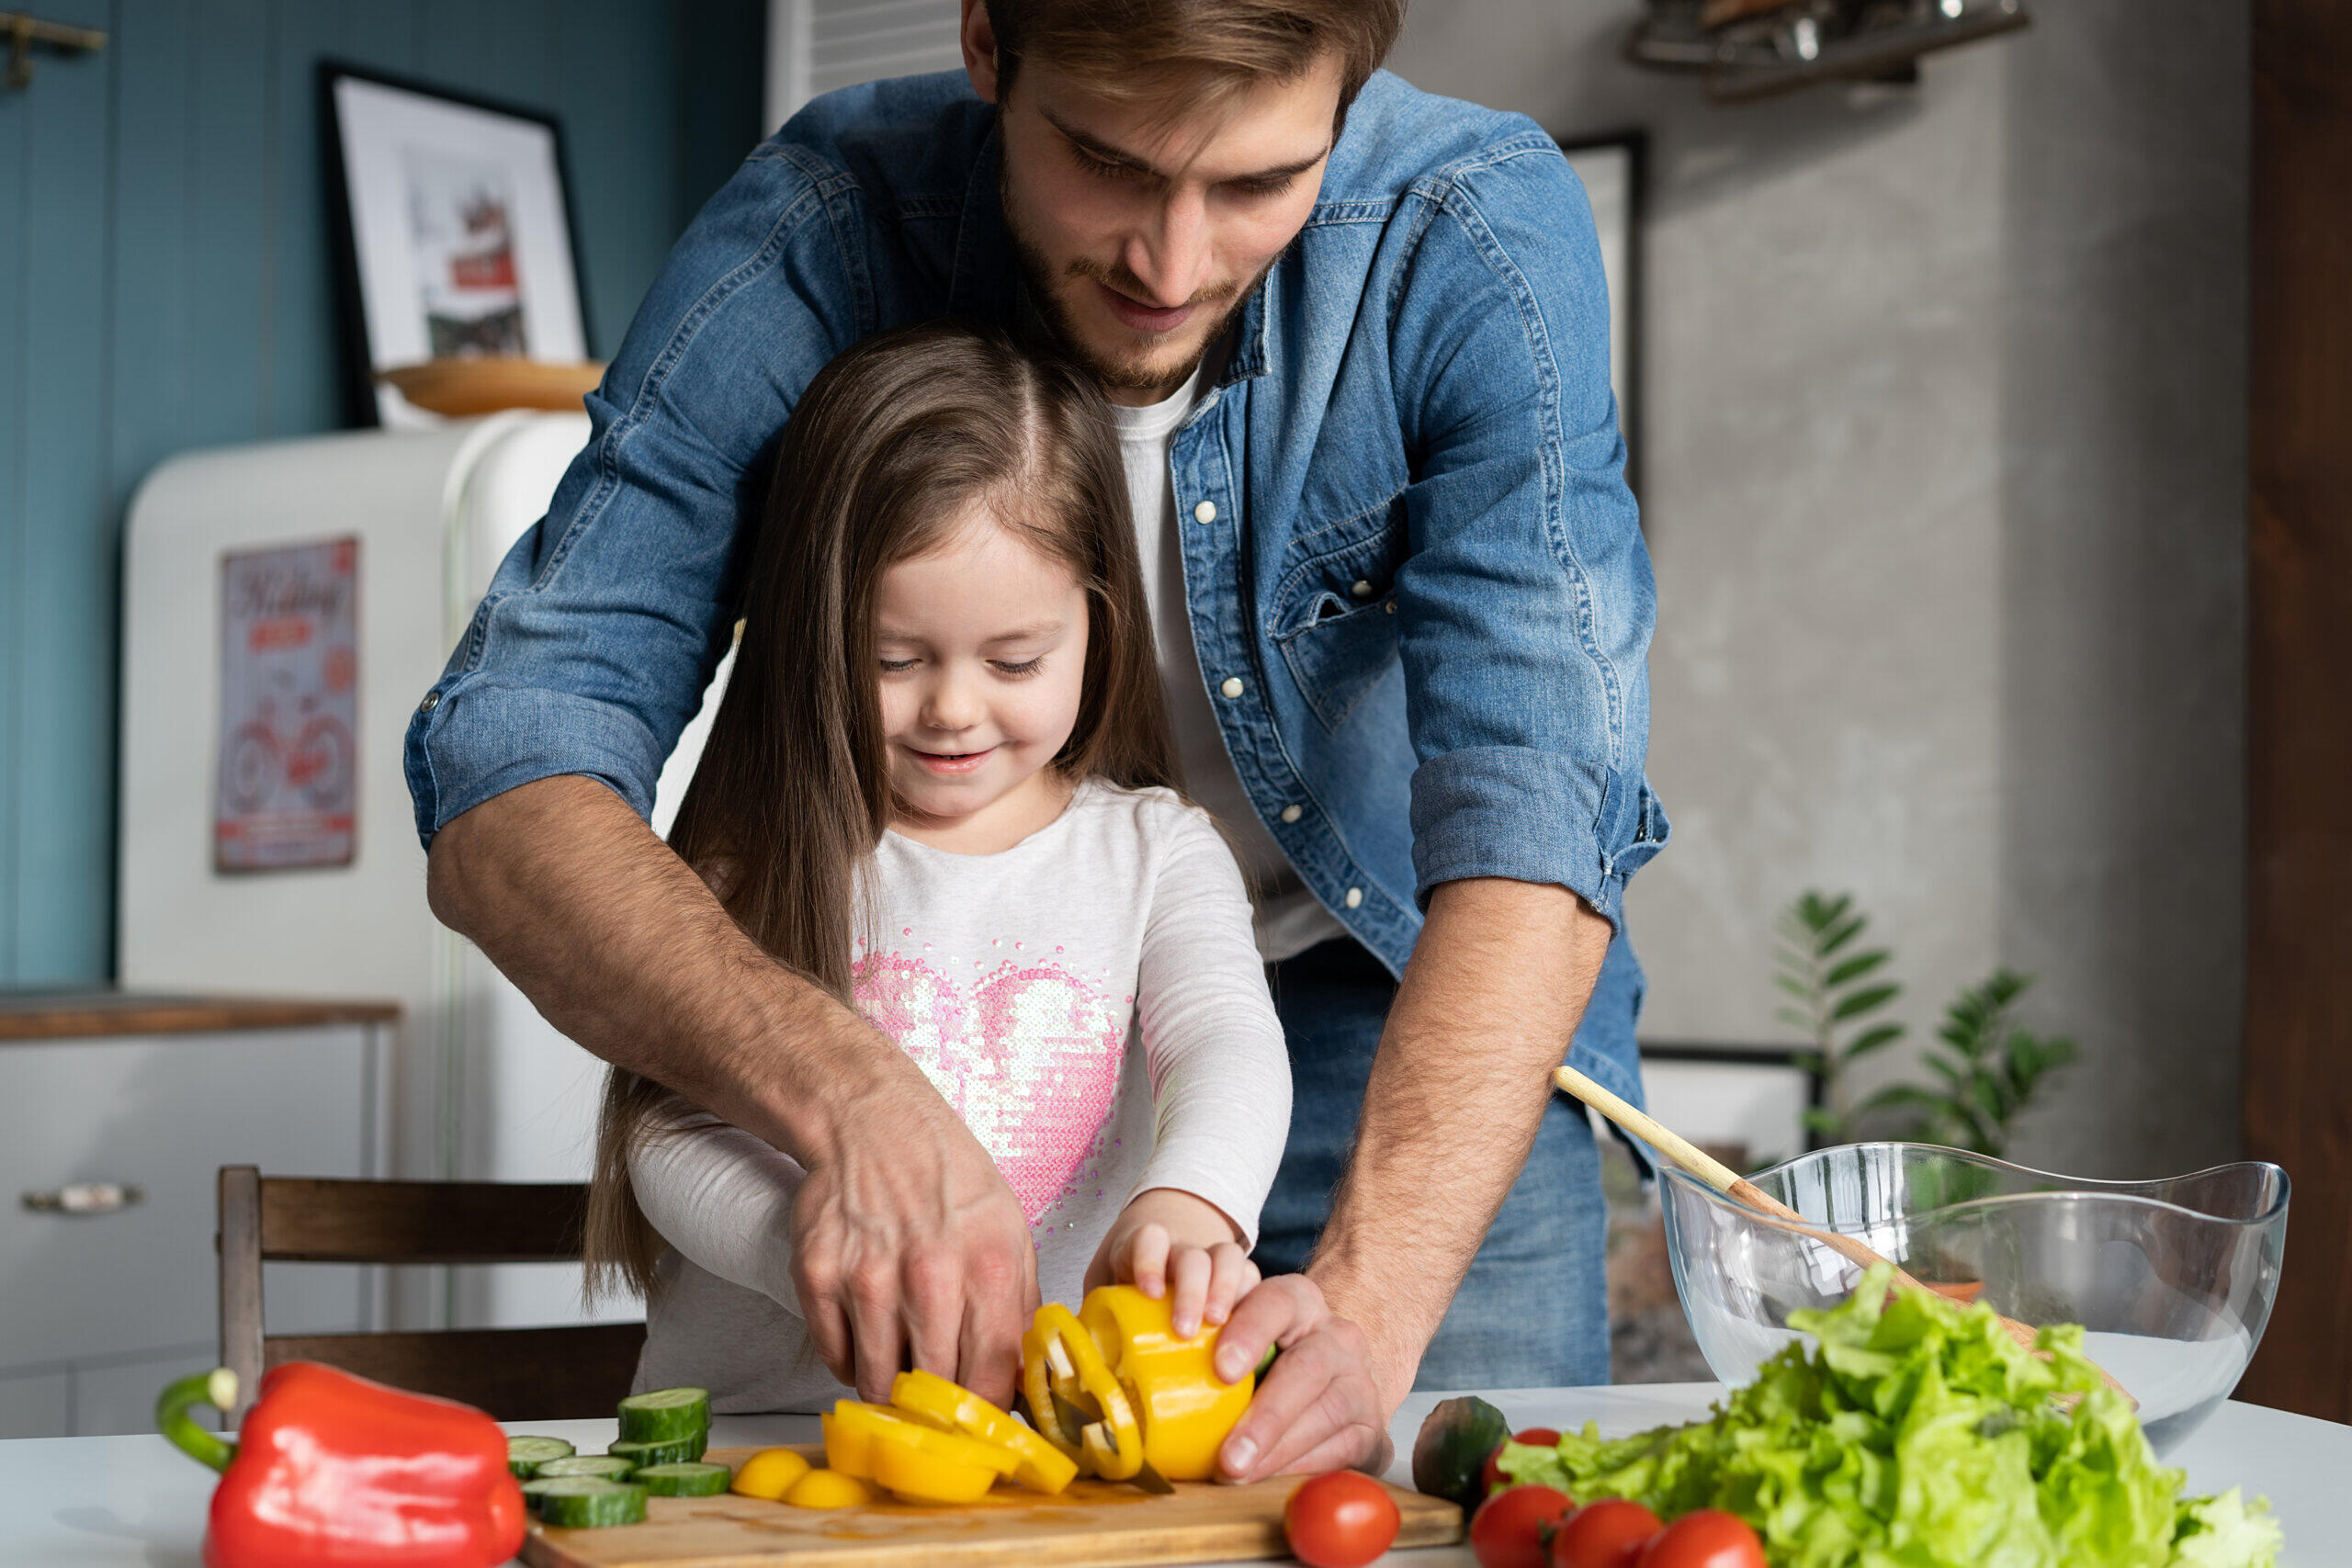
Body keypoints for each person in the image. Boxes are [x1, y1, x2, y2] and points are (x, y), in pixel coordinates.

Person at [411, 0, 1666, 1480]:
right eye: (1109, 162)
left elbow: (1543, 802)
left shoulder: (1467, 231)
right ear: (989, 46)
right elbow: (508, 757)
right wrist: (850, 1094)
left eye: (1259, 184)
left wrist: (1371, 1305)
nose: (1172, 263)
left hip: (1408, 1008)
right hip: (887, 1032)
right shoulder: (820, 236)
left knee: (1452, 1511)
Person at [582, 319, 1293, 1410]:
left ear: (1096, 627)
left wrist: (1192, 1199)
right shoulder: (754, 857)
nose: (952, 710)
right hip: (749, 1451)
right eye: (892, 659)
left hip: (1035, 1456)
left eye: (1015, 659)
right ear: (815, 638)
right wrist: (815, 1254)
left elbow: (1227, 1041)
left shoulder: (1156, 853)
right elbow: (669, 1131)